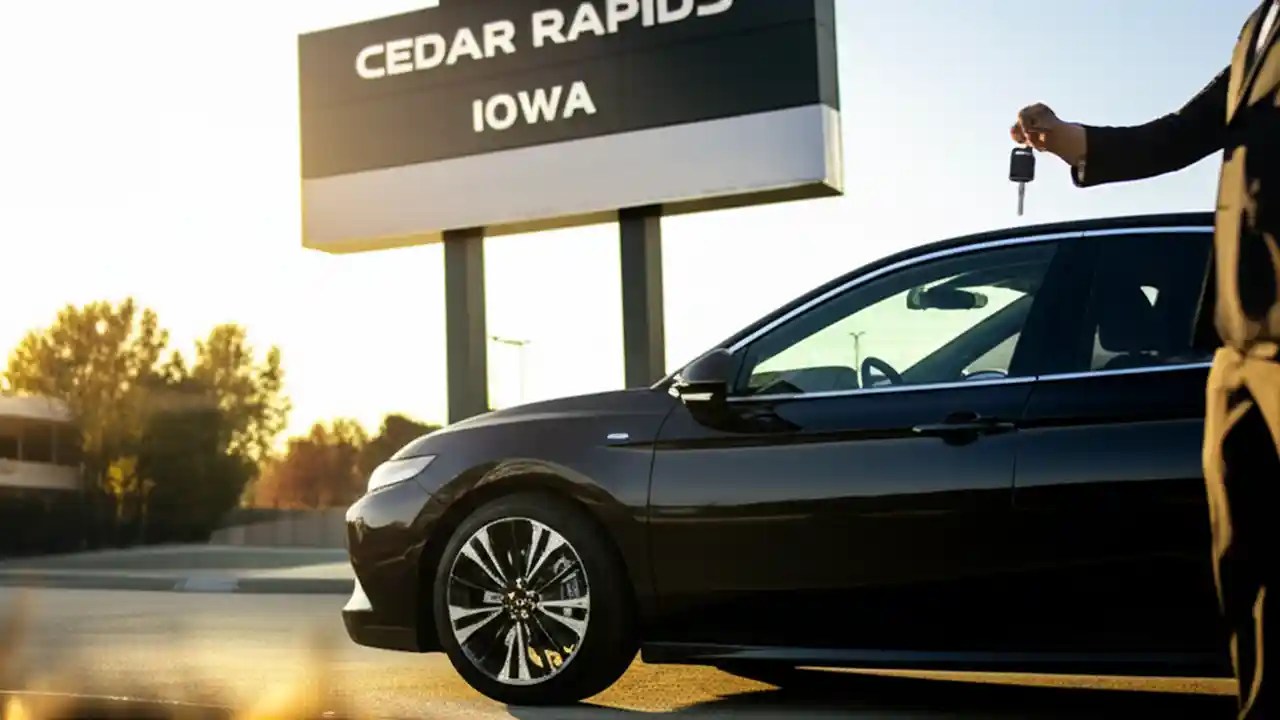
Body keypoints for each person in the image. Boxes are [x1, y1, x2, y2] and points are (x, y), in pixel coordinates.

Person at [1010, 2, 1278, 717]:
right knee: (1248, 575)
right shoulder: (1259, 25)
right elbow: (1181, 134)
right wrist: (1073, 142)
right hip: (1239, 340)